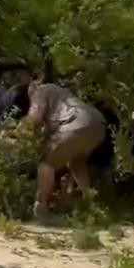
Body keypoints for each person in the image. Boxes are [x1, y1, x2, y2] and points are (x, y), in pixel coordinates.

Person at [24, 80, 108, 219]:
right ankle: (89, 204)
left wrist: (16, 131)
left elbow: (34, 118)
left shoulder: (40, 90)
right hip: (97, 124)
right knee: (77, 161)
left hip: (75, 123)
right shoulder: (63, 94)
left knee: (46, 162)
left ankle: (41, 207)